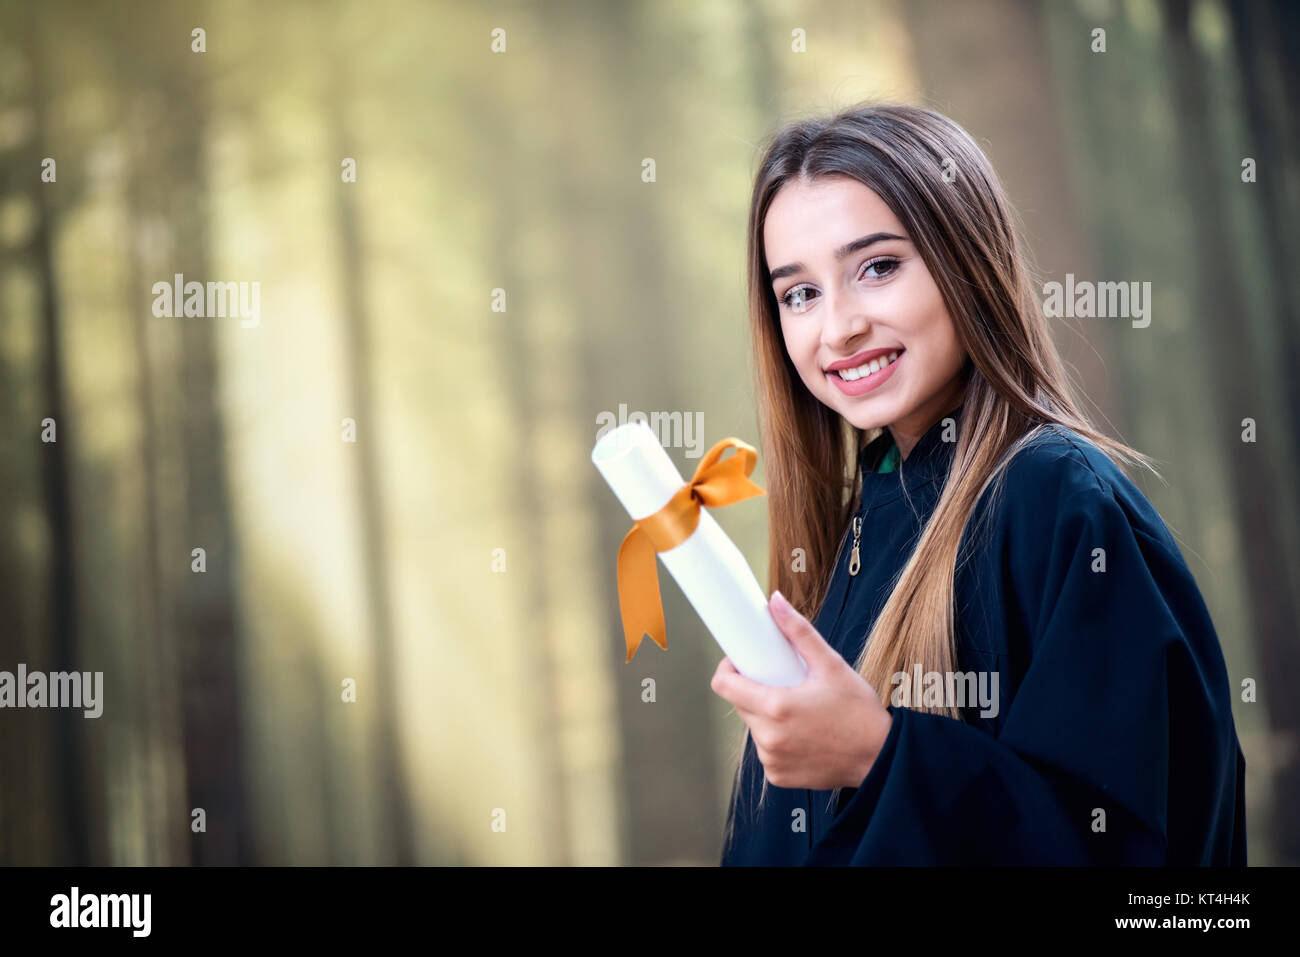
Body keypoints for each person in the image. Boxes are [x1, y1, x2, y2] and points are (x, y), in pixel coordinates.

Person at [712, 103, 1247, 865]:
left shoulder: (1058, 500)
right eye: (799, 293)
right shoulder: (859, 524)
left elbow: (1142, 860)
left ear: (968, 259)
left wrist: (881, 755)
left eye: (878, 267)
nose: (838, 329)